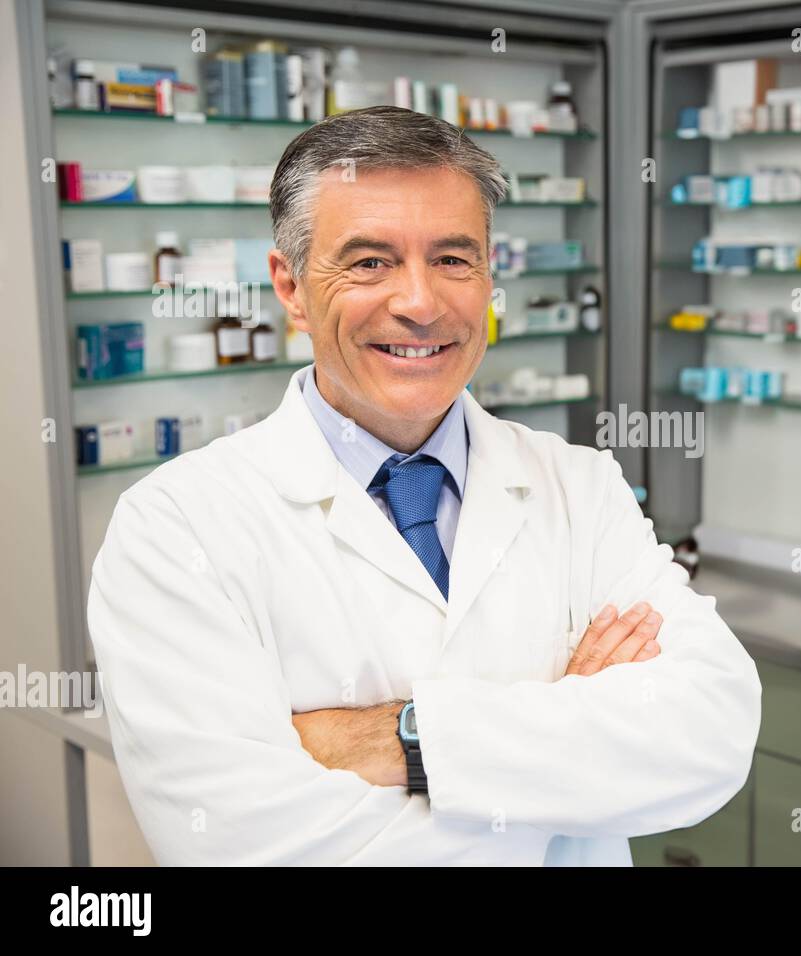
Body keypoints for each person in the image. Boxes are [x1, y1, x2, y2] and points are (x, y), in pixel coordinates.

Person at [86, 106, 761, 866]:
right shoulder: (177, 529)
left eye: (452, 259)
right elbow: (247, 846)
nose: (420, 303)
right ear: (292, 288)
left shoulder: (583, 487)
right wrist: (568, 759)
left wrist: (403, 738)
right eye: (370, 262)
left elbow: (712, 733)